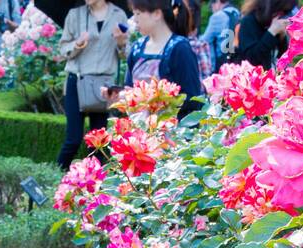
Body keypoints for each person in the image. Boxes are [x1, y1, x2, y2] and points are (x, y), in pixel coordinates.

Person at [57, 0, 128, 169]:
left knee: (99, 144)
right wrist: (78, 43)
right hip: (77, 81)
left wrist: (120, 43)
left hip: (103, 85)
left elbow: (125, 54)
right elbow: (63, 49)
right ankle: (54, 181)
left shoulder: (119, 15)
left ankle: (95, 188)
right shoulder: (75, 15)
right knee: (73, 140)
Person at [118, 0, 203, 119]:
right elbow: (128, 87)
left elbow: (193, 99)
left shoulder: (179, 48)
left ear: (157, 14)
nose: (134, 19)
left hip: (172, 132)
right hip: (139, 131)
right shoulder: (137, 48)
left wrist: (158, 101)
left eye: (138, 14)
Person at [232, 0, 293, 69]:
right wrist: (271, 32)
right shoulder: (249, 21)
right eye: (281, 11)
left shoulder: (272, 21)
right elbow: (251, 59)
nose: (282, 15)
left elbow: (282, 58)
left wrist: (282, 37)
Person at [202, 0, 240, 73]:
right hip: (236, 60)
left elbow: (205, 41)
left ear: (218, 2)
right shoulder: (237, 13)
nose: (212, 9)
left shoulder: (217, 16)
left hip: (222, 63)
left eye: (211, 6)